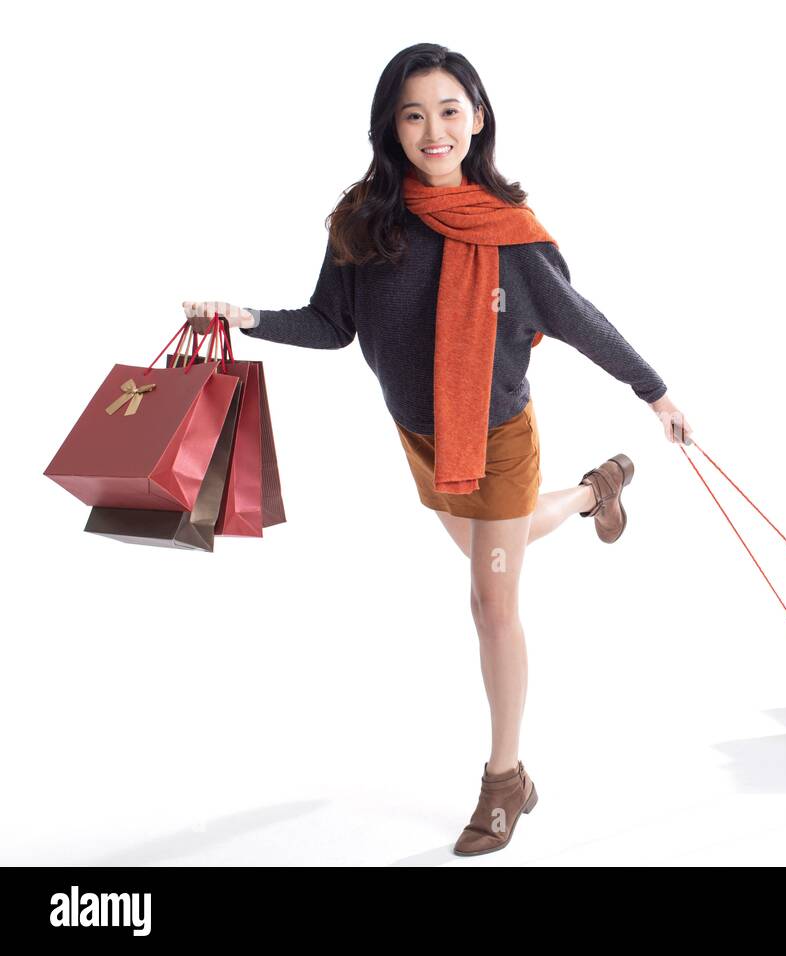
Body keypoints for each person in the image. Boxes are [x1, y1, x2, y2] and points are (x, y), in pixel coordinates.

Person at [182, 42, 693, 857]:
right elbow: (331, 325)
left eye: (450, 110)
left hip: (495, 442)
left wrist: (654, 391)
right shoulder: (364, 220)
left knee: (491, 605)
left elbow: (582, 321)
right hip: (425, 441)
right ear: (391, 124)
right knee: (503, 541)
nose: (433, 130)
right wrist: (247, 320)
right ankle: (596, 492)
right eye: (413, 113)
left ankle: (505, 782)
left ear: (478, 119)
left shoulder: (510, 235)